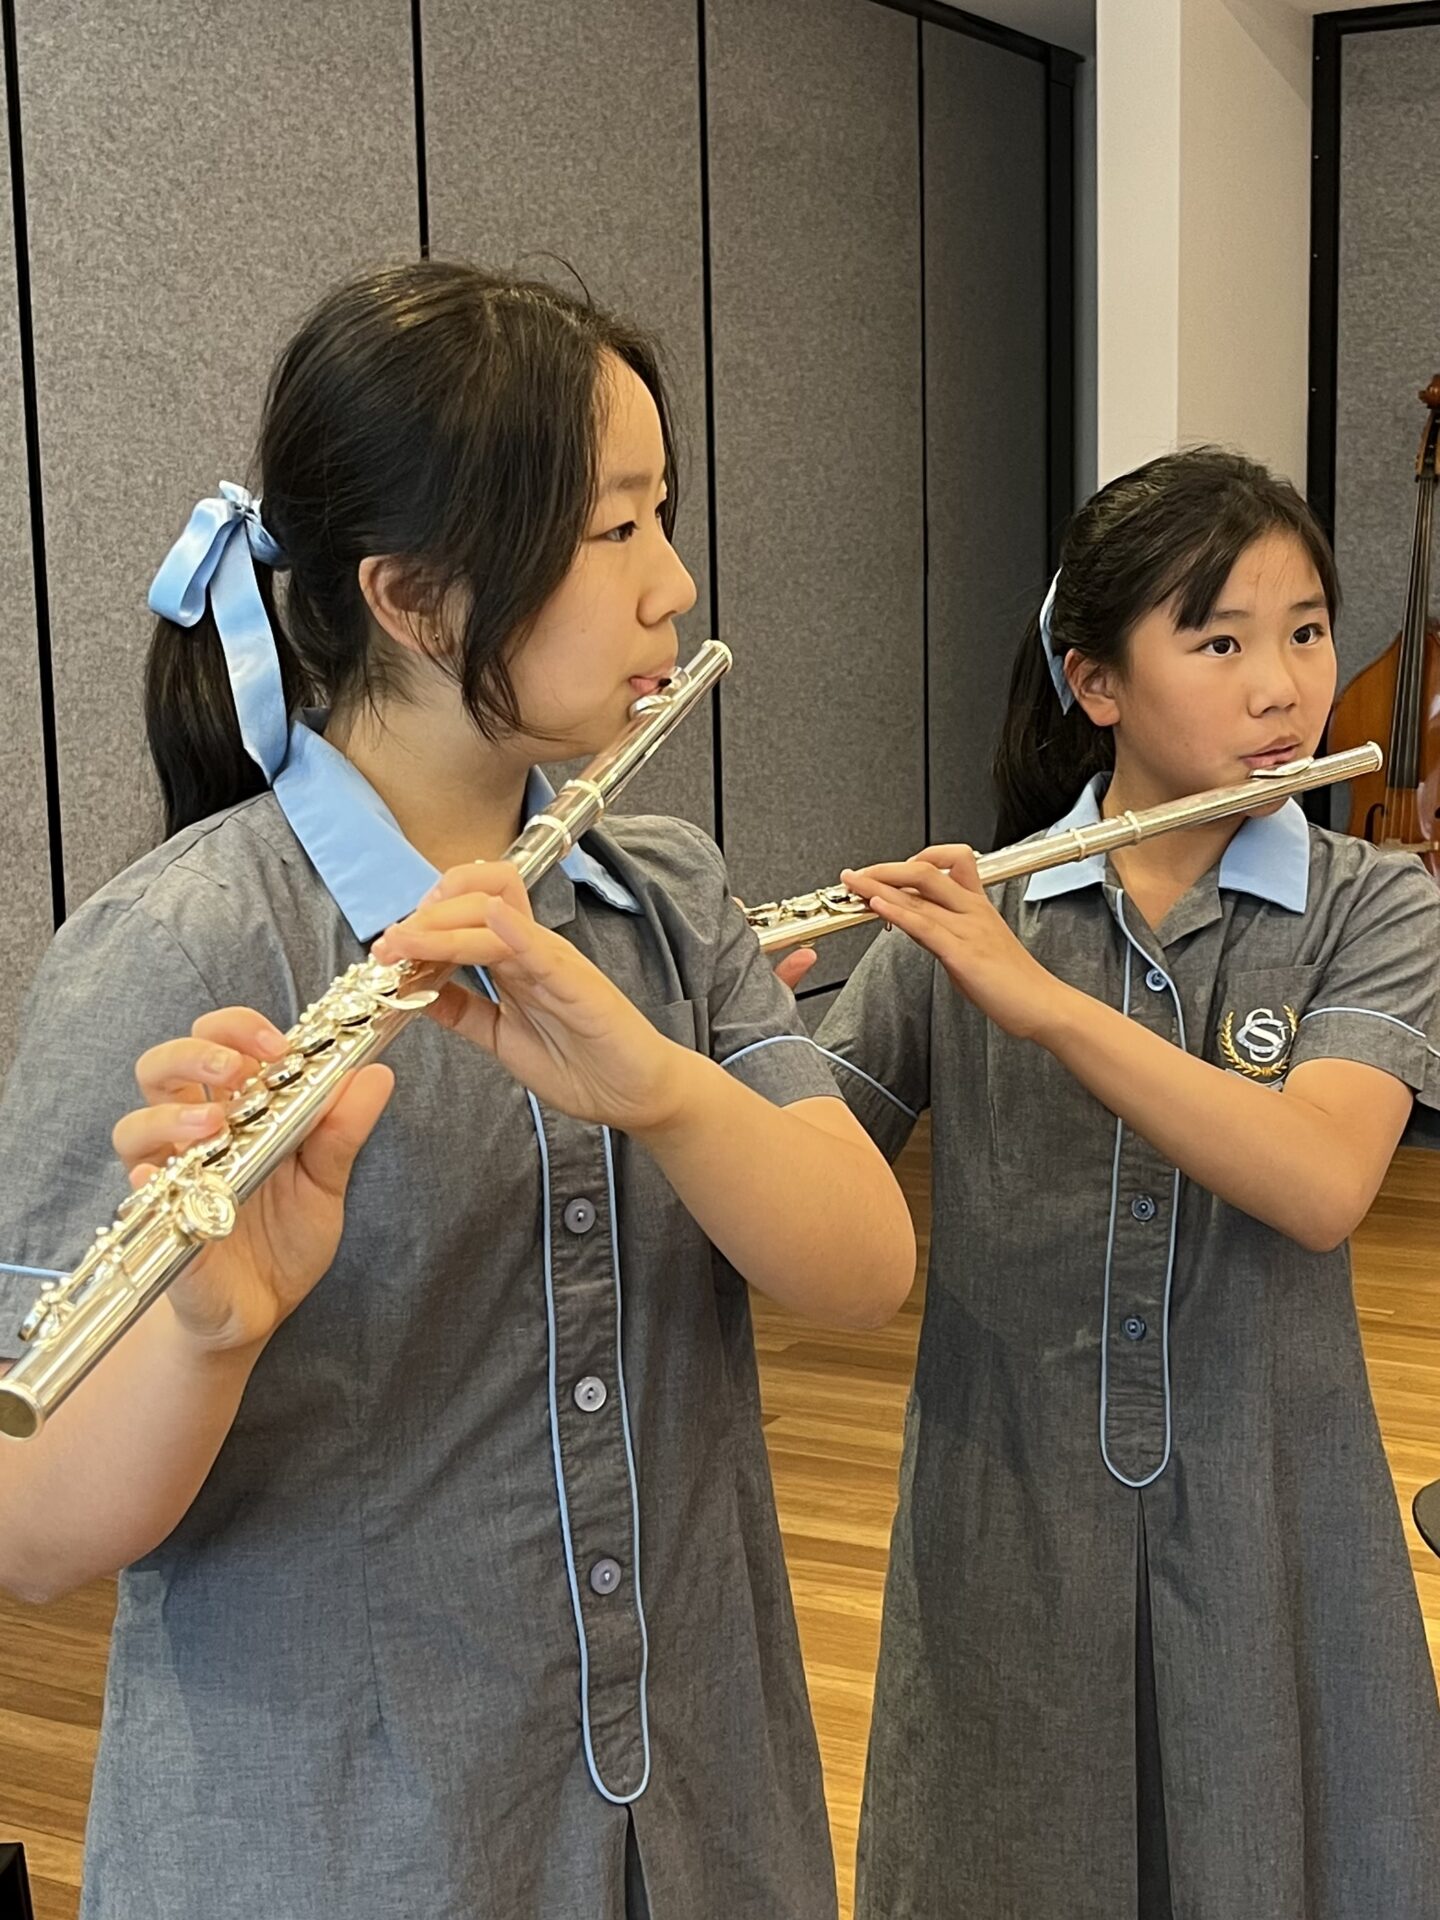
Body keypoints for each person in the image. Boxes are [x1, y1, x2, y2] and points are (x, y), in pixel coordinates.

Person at [0, 261, 916, 1920]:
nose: (676, 584)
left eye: (663, 515)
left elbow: (863, 1268)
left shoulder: (664, 894)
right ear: (418, 600)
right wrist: (212, 1331)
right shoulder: (171, 950)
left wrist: (662, 1087)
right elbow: (31, 1531)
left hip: (690, 1796)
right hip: (350, 1838)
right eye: (614, 531)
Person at [815, 448, 1440, 1919]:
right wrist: (710, 1017)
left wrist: (1041, 1004)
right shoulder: (969, 922)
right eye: (1219, 641)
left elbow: (1318, 1179)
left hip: (1274, 1503)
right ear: (1099, 685)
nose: (1283, 686)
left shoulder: (1378, 902)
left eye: (1303, 630)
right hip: (1008, 1509)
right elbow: (798, 1181)